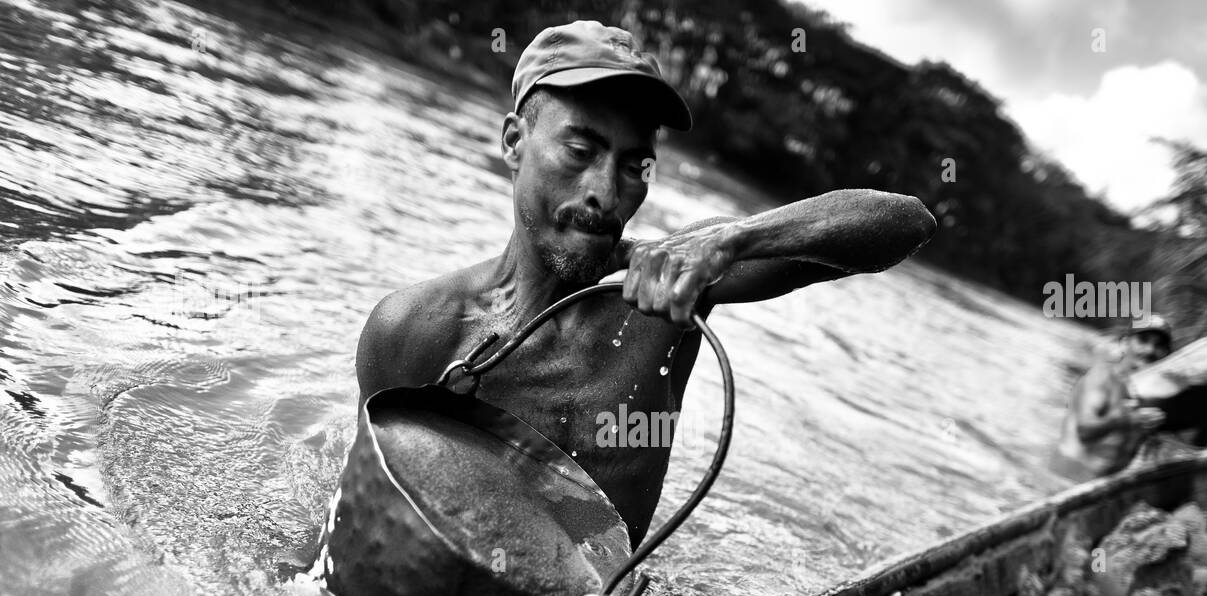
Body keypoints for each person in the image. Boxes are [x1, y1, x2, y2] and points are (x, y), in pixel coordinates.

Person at [354, 19, 937, 547]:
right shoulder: (410, 330)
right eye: (581, 150)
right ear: (514, 142)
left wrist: (731, 240)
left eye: (636, 166)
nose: (606, 193)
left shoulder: (674, 293)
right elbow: (361, 511)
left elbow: (903, 224)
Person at [1051, 314, 1174, 481]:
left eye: (1159, 346)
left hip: (1102, 487)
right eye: (1143, 340)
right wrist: (1127, 418)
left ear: (1167, 354)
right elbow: (1084, 429)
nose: (1150, 350)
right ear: (1124, 344)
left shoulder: (1155, 395)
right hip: (1063, 479)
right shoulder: (1102, 379)